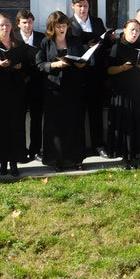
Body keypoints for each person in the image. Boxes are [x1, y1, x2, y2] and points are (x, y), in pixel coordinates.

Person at [36, 11, 88, 171]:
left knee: (74, 124)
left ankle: (76, 159)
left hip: (72, 89)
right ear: (52, 27)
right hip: (54, 90)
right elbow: (39, 64)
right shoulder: (46, 42)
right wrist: (53, 65)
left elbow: (81, 59)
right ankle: (57, 160)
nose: (62, 29)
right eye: (58, 26)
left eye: (64, 25)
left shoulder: (74, 41)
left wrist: (81, 64)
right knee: (55, 126)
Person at [0, 13, 27, 176]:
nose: (5, 27)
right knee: (0, 129)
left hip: (15, 92)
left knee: (15, 127)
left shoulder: (19, 45)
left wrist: (19, 66)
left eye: (7, 24)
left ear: (11, 27)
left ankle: (14, 163)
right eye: (1, 25)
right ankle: (2, 162)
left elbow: (27, 66)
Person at [106, 19, 140, 168]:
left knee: (137, 122)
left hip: (138, 91)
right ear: (124, 30)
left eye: (137, 31)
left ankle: (136, 156)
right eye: (132, 30)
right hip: (122, 92)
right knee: (124, 123)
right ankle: (125, 158)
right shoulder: (117, 47)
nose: (134, 33)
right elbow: (108, 70)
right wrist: (122, 68)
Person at [69, 0, 108, 157]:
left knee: (96, 111)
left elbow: (104, 44)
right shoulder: (68, 24)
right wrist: (86, 46)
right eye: (80, 6)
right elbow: (69, 47)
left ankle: (98, 145)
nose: (83, 9)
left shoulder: (97, 22)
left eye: (85, 6)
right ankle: (79, 147)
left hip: (95, 72)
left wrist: (108, 39)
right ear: (73, 6)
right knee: (77, 111)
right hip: (77, 73)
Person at [14, 9, 43, 162]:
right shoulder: (14, 39)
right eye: (24, 23)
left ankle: (35, 150)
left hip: (37, 84)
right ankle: (20, 150)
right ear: (18, 24)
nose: (27, 25)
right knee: (18, 119)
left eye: (30, 22)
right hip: (18, 85)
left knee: (36, 119)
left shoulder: (41, 38)